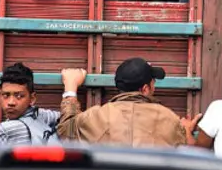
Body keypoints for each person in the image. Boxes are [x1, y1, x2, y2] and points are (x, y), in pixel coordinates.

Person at [57, 57, 190, 147]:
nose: (154, 87)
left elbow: (65, 130)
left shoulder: (96, 116)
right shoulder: (169, 119)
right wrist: (186, 130)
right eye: (153, 83)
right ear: (145, 89)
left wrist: (70, 87)